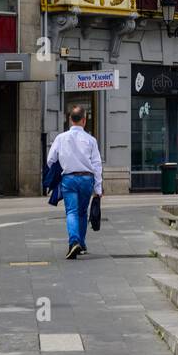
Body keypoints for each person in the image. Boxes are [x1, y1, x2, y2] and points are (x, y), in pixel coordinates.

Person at [46, 105, 103, 259]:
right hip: (86, 179)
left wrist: (58, 169)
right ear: (84, 120)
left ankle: (74, 242)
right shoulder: (91, 140)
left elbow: (50, 160)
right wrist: (98, 189)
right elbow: (97, 165)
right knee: (82, 212)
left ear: (70, 120)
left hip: (69, 179)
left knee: (71, 211)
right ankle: (81, 243)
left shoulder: (61, 138)